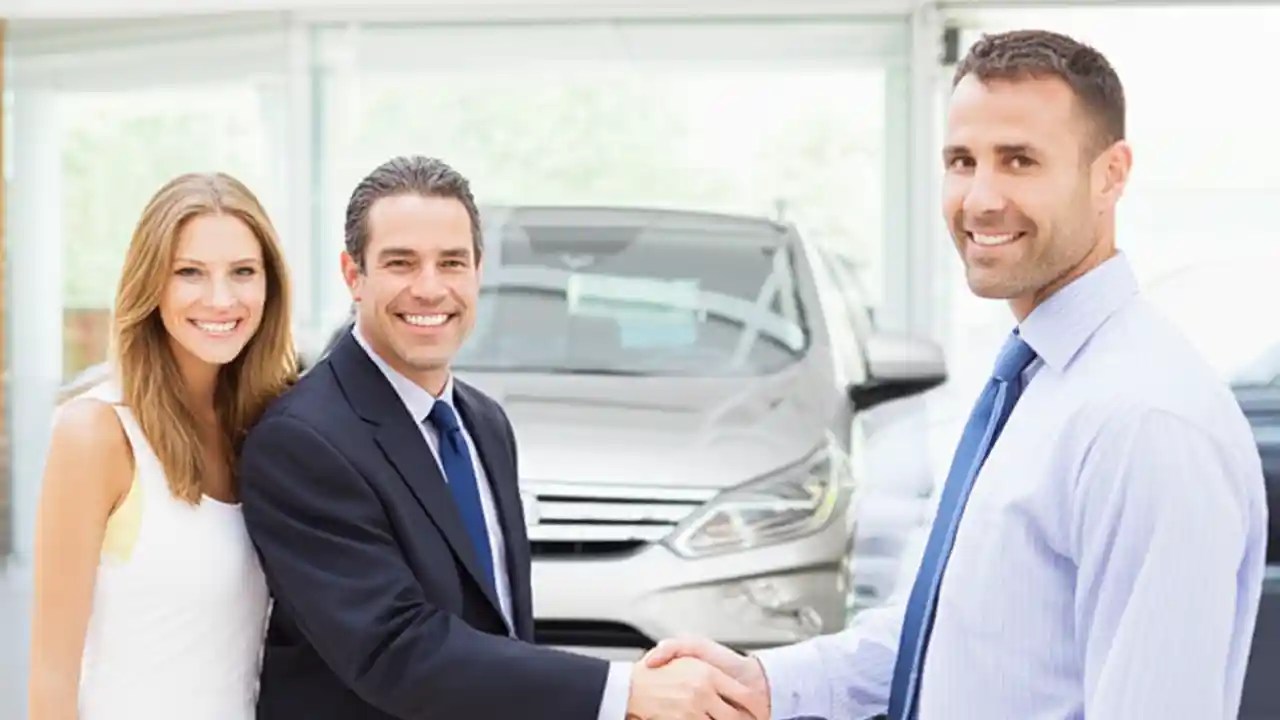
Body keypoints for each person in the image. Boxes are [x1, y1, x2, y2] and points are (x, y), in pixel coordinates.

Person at [644, 28, 1268, 720]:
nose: (980, 198)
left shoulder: (1145, 421)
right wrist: (767, 683)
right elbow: (947, 640)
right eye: (962, 161)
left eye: (1020, 161)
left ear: (1111, 175)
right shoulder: (1027, 381)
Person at [237, 155, 755, 720]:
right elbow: (395, 649)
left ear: (478, 271)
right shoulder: (302, 441)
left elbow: (500, 628)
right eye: (401, 263)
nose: (430, 289)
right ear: (353, 275)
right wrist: (623, 691)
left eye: (452, 262)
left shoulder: (483, 423)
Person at [27, 172, 298, 719]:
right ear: (150, 283)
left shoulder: (272, 430)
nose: (221, 299)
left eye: (243, 272)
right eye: (189, 272)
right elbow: (51, 679)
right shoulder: (97, 433)